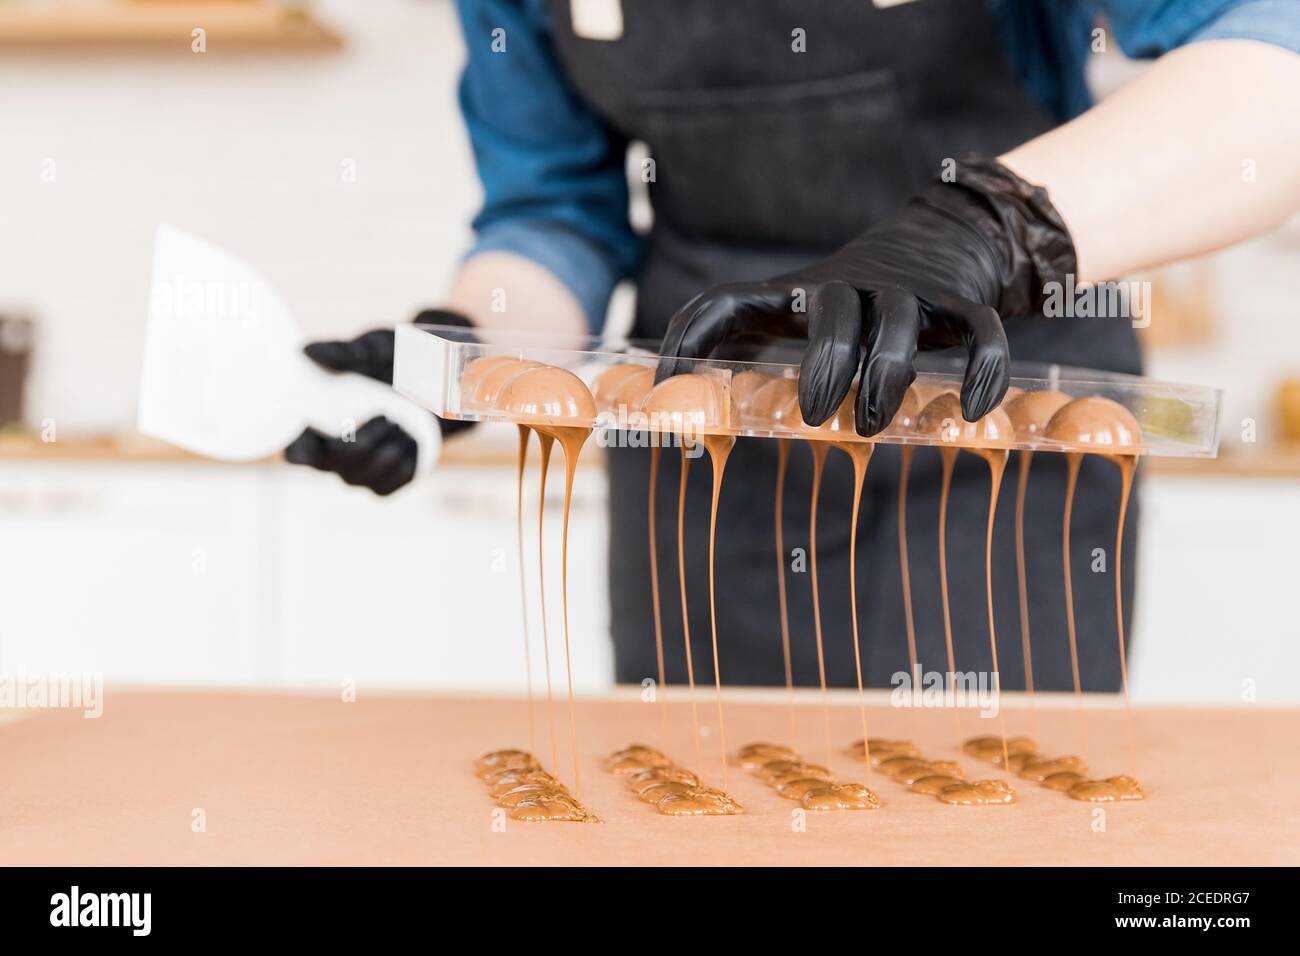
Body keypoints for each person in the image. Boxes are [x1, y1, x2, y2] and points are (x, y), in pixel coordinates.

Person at [287, 1, 1300, 694]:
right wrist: (466, 354)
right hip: (713, 458)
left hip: (993, 433)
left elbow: (1273, 56)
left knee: (985, 809)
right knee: (690, 798)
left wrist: (981, 232)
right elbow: (554, 210)